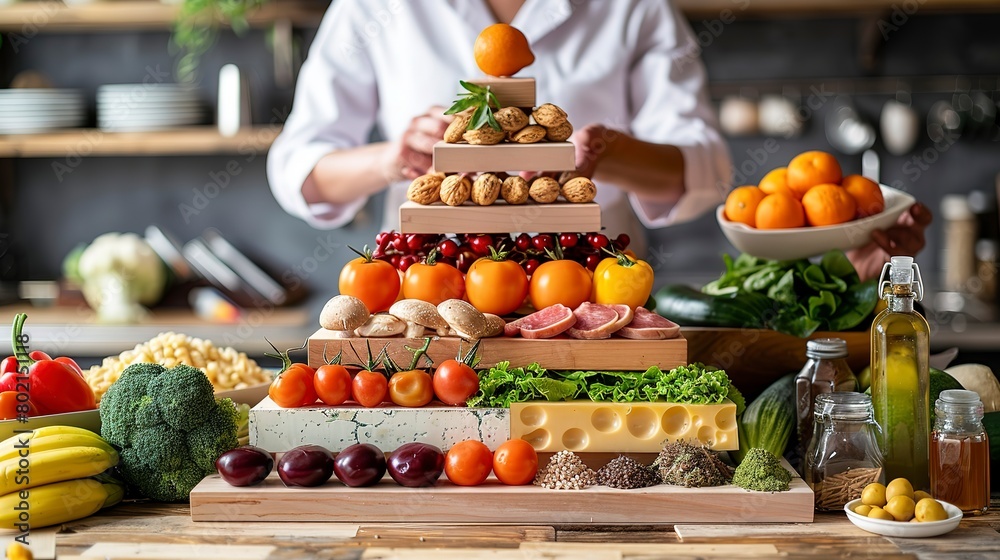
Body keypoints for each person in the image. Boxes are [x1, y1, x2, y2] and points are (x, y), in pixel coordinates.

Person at [267, 0, 930, 281]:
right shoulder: (375, 6)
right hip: (428, 293)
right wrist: (395, 156)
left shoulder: (629, 7)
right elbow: (299, 164)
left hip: (589, 284)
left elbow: (702, 166)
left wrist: (609, 154)